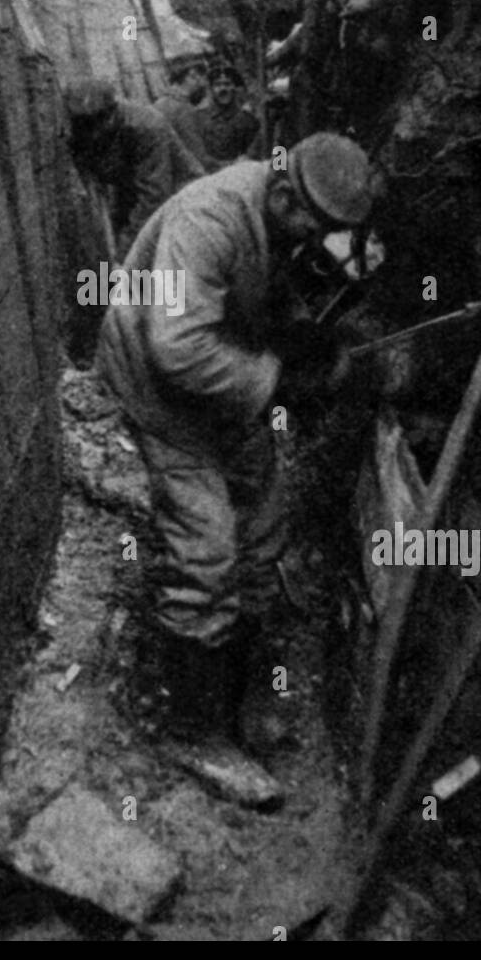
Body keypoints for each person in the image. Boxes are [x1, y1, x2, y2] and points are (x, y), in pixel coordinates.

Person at [95, 133, 378, 807]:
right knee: (208, 546)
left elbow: (267, 293)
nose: (322, 241)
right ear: (283, 194)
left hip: (221, 374)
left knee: (265, 523)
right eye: (317, 227)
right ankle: (194, 731)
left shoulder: (284, 214)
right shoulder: (209, 220)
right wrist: (280, 380)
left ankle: (244, 687)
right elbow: (179, 348)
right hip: (161, 388)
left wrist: (302, 334)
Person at [65, 77, 205, 258]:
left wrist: (124, 251)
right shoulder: (83, 130)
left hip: (181, 199)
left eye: (99, 120)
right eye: (85, 123)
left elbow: (154, 196)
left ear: (113, 111)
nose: (93, 131)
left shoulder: (146, 126)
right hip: (133, 198)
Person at [152, 54, 215, 170]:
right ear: (192, 75)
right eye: (204, 79)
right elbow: (200, 158)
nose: (205, 85)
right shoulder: (183, 109)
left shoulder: (159, 104)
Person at [197, 59, 260, 168]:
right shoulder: (199, 118)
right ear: (211, 89)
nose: (223, 88)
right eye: (218, 85)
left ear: (234, 87)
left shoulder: (246, 119)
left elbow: (255, 152)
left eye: (227, 84)